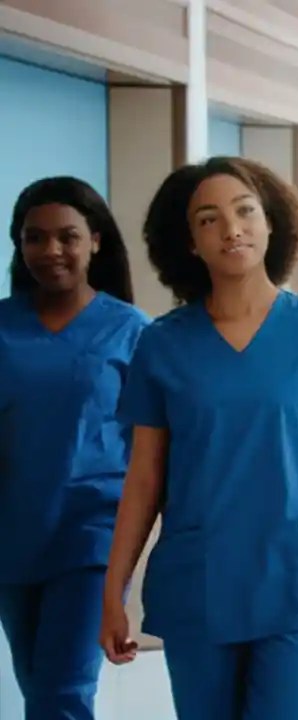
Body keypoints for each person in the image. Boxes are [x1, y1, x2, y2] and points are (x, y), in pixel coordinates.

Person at [99, 157, 298, 718]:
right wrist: (114, 588)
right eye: (209, 219)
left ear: (270, 222)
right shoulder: (162, 345)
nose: (231, 228)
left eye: (245, 211)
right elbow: (145, 476)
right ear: (190, 242)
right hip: (199, 580)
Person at [0, 176, 146, 719]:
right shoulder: (3, 326)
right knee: (40, 687)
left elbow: (152, 451)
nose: (51, 251)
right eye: (35, 238)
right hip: (14, 536)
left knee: (61, 695)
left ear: (96, 241)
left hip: (91, 539)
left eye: (67, 236)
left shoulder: (131, 332)